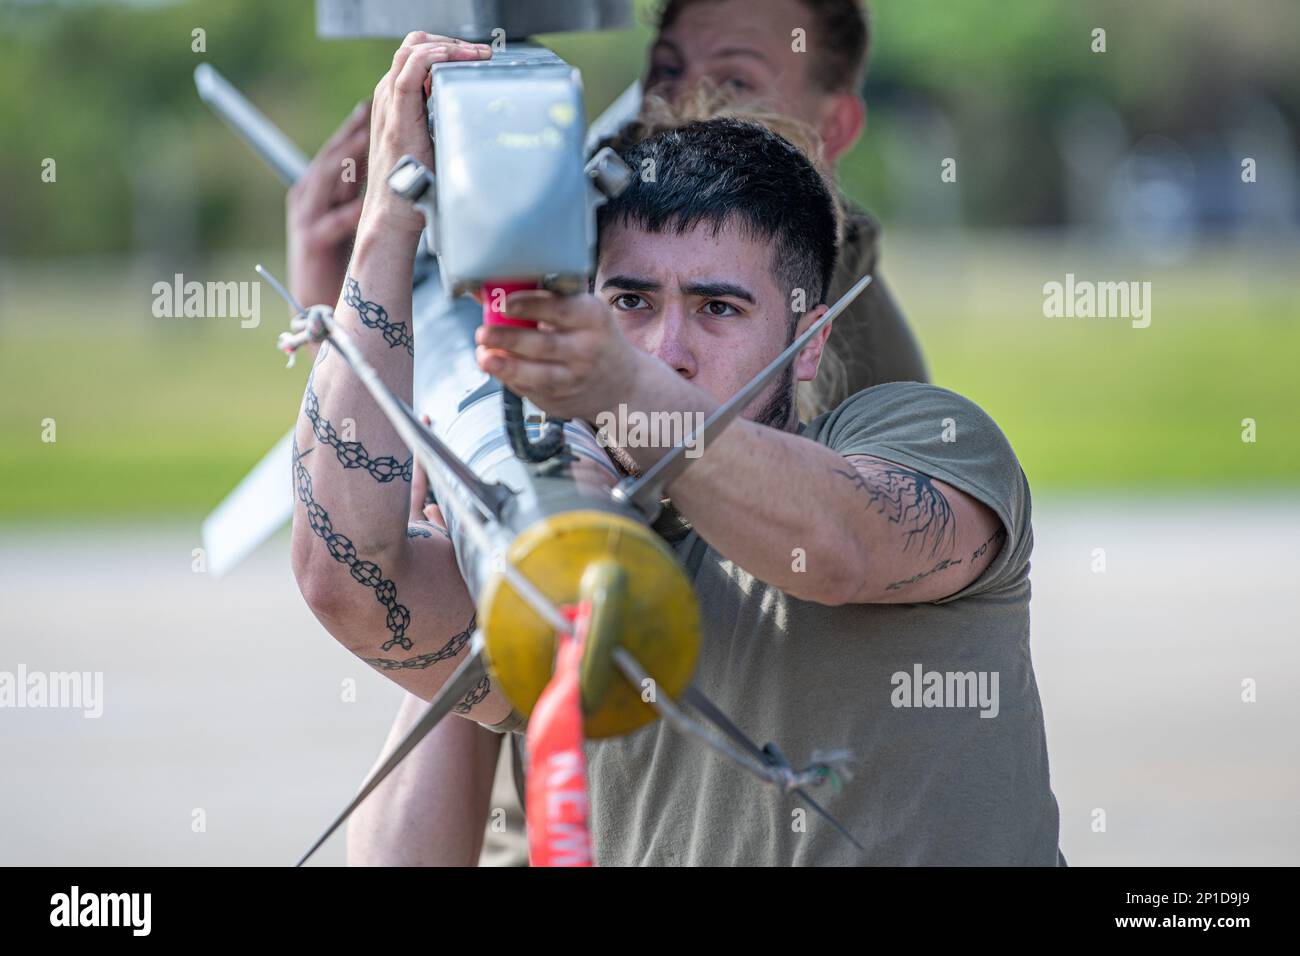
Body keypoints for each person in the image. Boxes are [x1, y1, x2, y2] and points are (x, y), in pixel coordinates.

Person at [291, 32, 1063, 865]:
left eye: (718, 308)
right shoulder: (574, 538)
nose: (666, 348)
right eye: (629, 301)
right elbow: (349, 582)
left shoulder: (924, 437)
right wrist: (387, 222)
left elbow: (839, 548)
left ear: (809, 343)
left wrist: (616, 382)